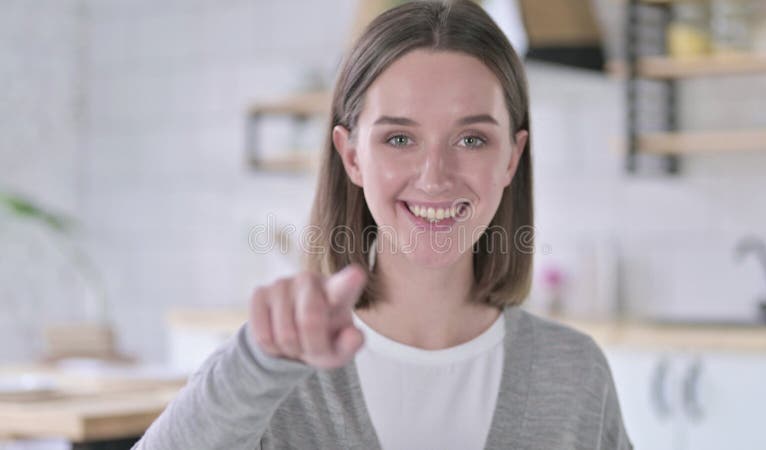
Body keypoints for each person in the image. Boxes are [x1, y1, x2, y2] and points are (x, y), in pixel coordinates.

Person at [133, 1, 632, 449]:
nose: (435, 176)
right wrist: (256, 366)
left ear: (512, 158)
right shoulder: (278, 369)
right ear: (351, 155)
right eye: (399, 139)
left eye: (472, 140)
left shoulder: (573, 372)